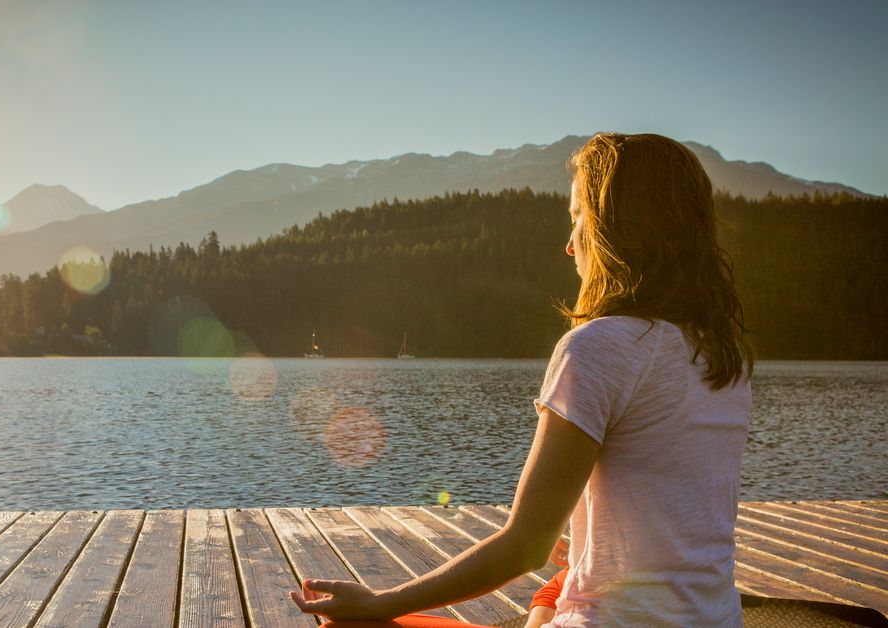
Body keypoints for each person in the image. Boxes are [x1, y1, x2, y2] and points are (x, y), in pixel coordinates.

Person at [290, 132, 755, 627]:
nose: (570, 243)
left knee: (348, 625)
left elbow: (523, 549)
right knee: (560, 582)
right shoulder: (720, 354)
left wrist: (379, 602)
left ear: (616, 232)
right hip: (716, 620)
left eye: (578, 219)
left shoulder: (598, 347)